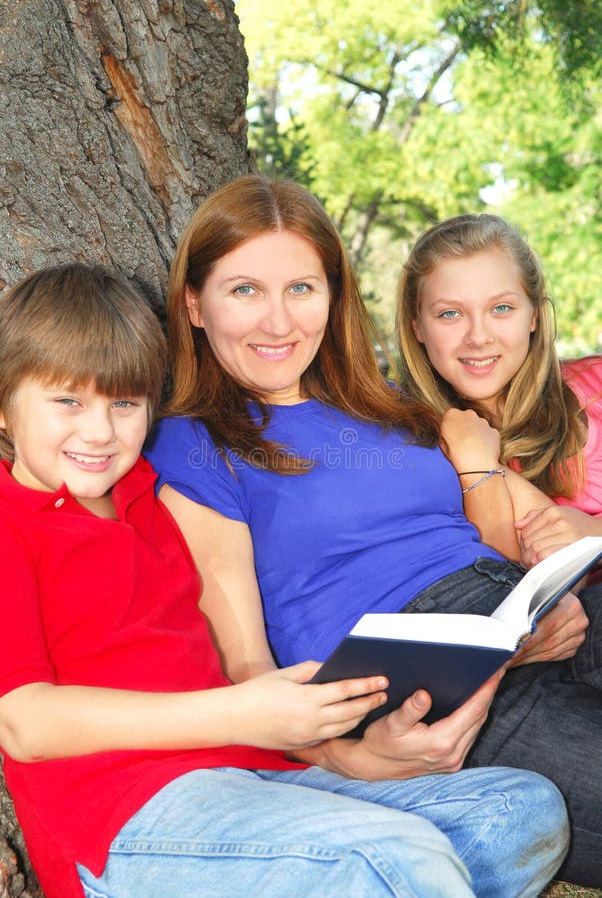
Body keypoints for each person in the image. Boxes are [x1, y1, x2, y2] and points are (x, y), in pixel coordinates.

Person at [0, 263, 569, 898]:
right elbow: (24, 723)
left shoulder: (151, 493)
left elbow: (244, 667)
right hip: (124, 812)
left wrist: (349, 757)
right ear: (4, 408)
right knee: (391, 854)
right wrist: (236, 713)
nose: (100, 431)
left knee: (520, 808)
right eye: (67, 402)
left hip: (259, 778)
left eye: (125, 403)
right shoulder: (9, 524)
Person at [144, 174, 600, 887]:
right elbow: (246, 669)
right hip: (428, 685)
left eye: (301, 288)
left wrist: (555, 571)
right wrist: (344, 757)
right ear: (195, 305)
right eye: (245, 290)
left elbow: (550, 527)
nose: (278, 322)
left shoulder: (393, 408)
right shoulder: (196, 444)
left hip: (527, 618)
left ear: (333, 297)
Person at [396, 212, 602, 569]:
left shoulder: (595, 385)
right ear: (417, 327)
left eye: (501, 308)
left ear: (534, 315)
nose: (478, 337)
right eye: (450, 314)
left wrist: (594, 534)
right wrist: (476, 464)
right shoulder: (412, 445)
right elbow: (504, 580)